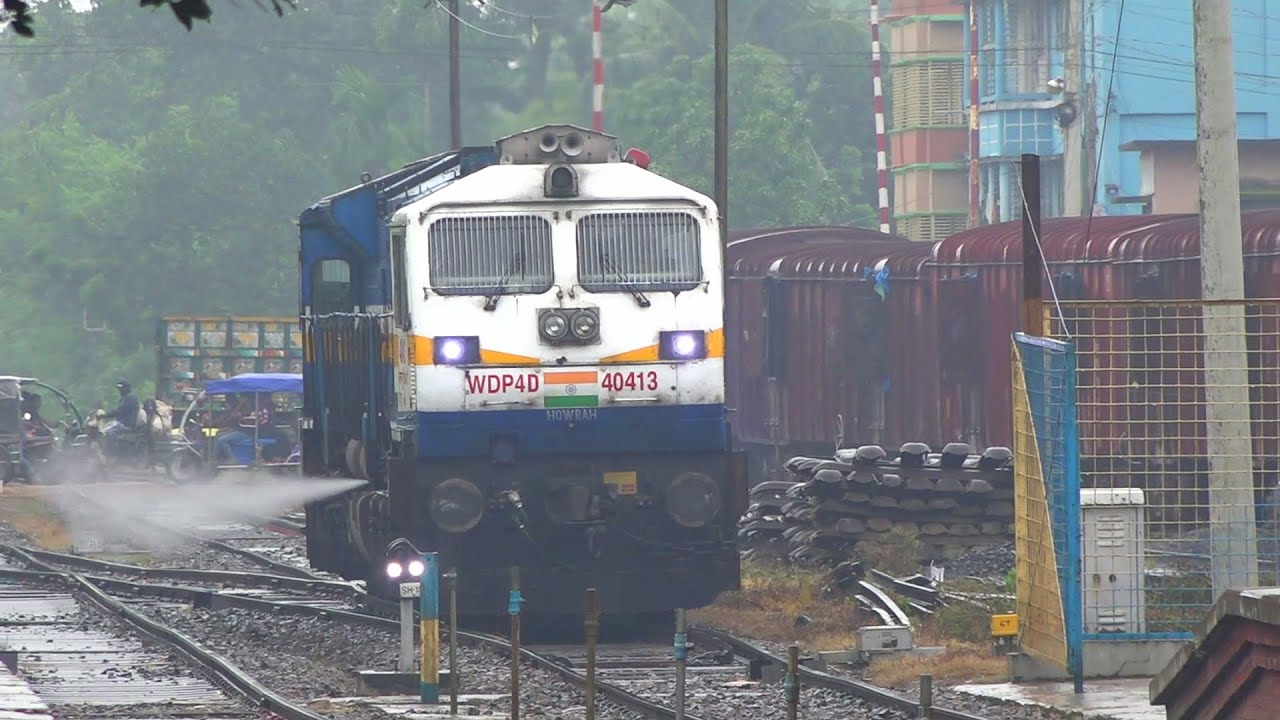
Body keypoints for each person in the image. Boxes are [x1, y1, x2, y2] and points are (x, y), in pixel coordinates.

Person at [102, 380, 141, 454]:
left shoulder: (130, 398)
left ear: (126, 389)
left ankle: (113, 455)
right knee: (107, 428)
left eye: (121, 389)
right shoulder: (126, 398)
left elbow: (119, 411)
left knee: (109, 432)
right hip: (124, 423)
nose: (120, 391)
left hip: (127, 424)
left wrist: (104, 415)